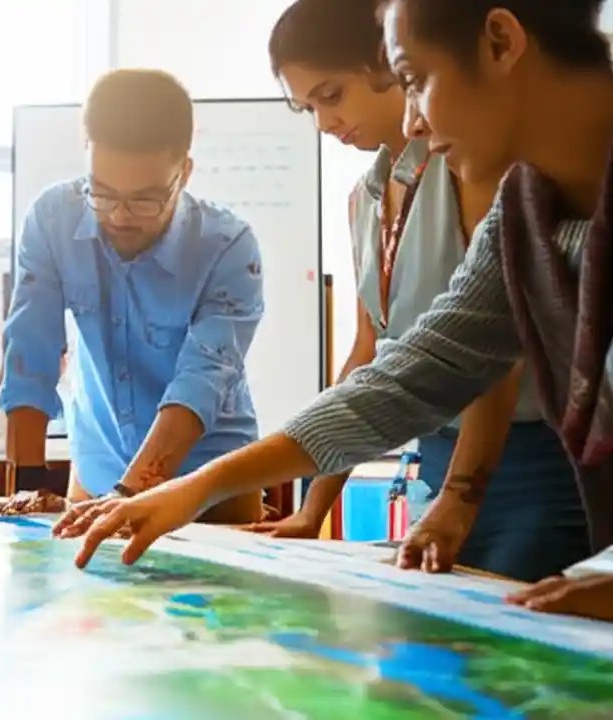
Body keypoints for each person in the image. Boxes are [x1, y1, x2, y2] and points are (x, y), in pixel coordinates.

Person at [65, 2, 613, 641]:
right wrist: (195, 487)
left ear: (501, 40)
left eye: (413, 78)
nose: (410, 118)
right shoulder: (526, 211)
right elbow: (416, 370)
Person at [229, 0, 587, 583]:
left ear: (388, 62)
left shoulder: (473, 170)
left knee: (513, 659)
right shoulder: (363, 200)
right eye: (308, 108)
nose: (322, 122)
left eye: (332, 94)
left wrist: (460, 498)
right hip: (435, 461)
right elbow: (366, 355)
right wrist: (313, 509)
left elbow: (497, 352)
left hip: (530, 463)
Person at [0, 68, 266, 524]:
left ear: (185, 173)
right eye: (102, 192)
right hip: (96, 474)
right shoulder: (52, 218)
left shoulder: (229, 247)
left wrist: (129, 494)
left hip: (207, 483)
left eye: (145, 199)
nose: (119, 216)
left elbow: (201, 379)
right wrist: (29, 479)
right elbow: (30, 347)